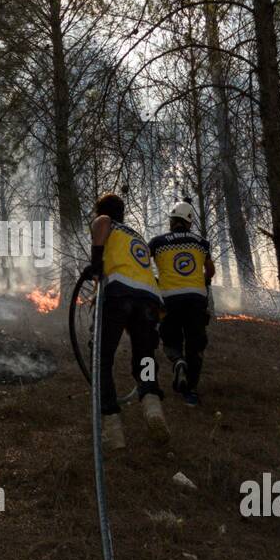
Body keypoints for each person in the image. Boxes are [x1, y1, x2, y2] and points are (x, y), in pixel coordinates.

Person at [83, 192, 168, 451]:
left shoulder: (106, 222)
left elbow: (100, 225)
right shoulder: (135, 236)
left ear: (104, 211)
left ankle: (112, 428)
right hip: (149, 297)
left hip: (120, 293)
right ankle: (152, 405)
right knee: (144, 357)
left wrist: (96, 263)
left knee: (101, 358)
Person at [149, 200, 216, 406]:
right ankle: (191, 392)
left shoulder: (157, 242)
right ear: (189, 222)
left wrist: (155, 282)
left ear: (172, 222)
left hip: (168, 298)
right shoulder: (201, 242)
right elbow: (210, 270)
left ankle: (178, 361)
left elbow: (142, 263)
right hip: (196, 299)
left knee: (170, 338)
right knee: (195, 344)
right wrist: (202, 281)